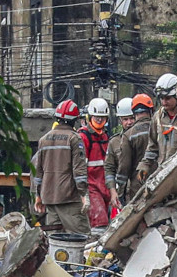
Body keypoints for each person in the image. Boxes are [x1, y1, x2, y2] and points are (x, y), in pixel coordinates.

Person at [33, 99, 91, 235]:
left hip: (49, 200)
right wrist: (83, 194)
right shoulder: (74, 138)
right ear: (74, 120)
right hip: (69, 198)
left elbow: (38, 172)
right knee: (82, 238)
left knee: (55, 242)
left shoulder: (44, 139)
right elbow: (79, 171)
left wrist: (38, 196)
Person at [138, 74, 177, 183]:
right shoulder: (158, 118)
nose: (164, 102)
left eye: (168, 98)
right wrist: (145, 165)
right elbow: (152, 146)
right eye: (162, 98)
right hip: (162, 173)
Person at [78, 97, 115, 229]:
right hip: (92, 186)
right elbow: (79, 166)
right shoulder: (83, 137)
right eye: (96, 117)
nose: (99, 120)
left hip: (105, 186)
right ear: (90, 117)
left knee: (110, 221)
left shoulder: (105, 136)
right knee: (100, 221)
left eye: (102, 118)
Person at [118, 93, 155, 199]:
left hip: (138, 186)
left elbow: (124, 166)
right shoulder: (160, 129)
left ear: (134, 113)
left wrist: (121, 192)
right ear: (151, 111)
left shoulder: (128, 135)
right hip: (161, 182)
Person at [104, 97, 135, 205]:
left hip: (141, 191)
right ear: (120, 120)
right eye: (125, 119)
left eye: (132, 118)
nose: (129, 122)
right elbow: (109, 168)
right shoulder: (114, 142)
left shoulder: (146, 137)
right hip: (123, 193)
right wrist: (113, 192)